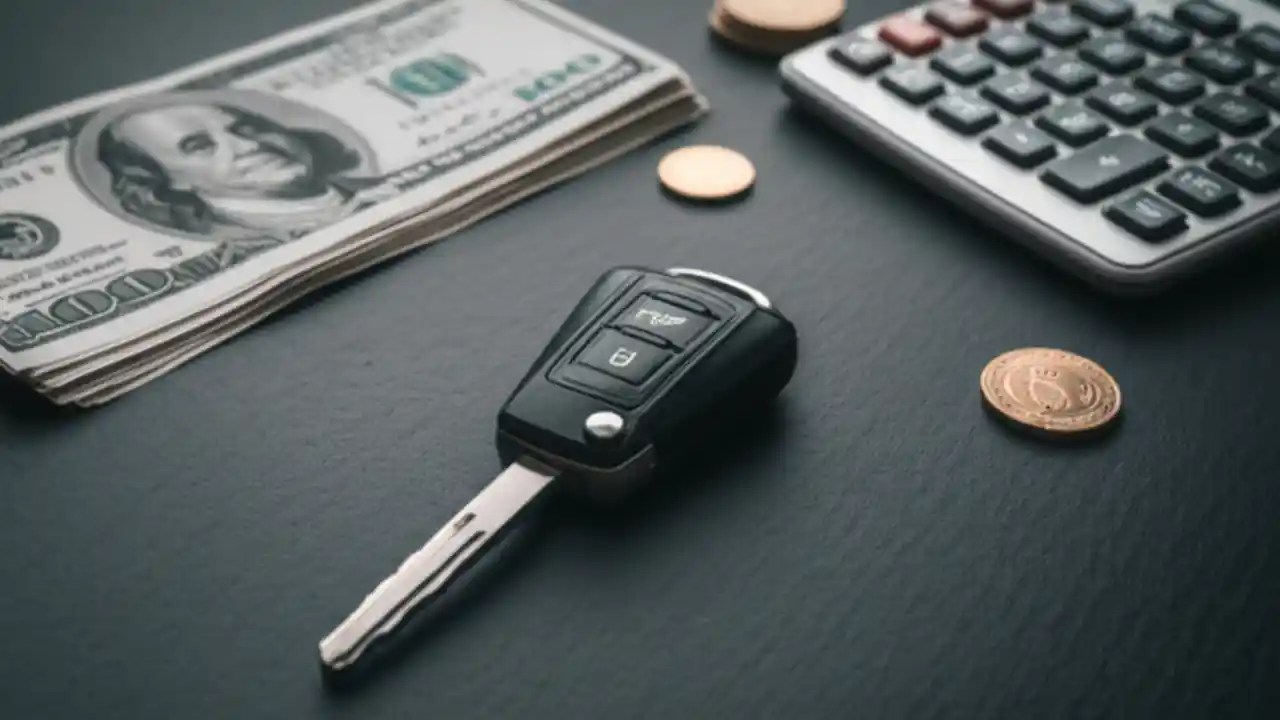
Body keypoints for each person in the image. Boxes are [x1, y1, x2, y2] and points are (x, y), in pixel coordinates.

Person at [97, 102, 376, 237]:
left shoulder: (376, 188)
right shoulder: (222, 234)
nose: (246, 146)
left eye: (242, 128)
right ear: (170, 181)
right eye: (199, 146)